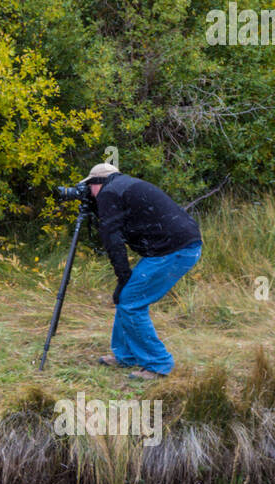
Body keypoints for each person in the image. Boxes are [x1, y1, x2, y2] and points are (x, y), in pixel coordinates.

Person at [84, 163, 202, 381]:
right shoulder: (123, 186)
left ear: (97, 183)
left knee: (130, 302)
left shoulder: (109, 193)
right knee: (128, 297)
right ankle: (126, 355)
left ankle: (158, 364)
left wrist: (122, 278)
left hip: (174, 250)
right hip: (178, 246)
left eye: (89, 186)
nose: (88, 193)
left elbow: (114, 241)